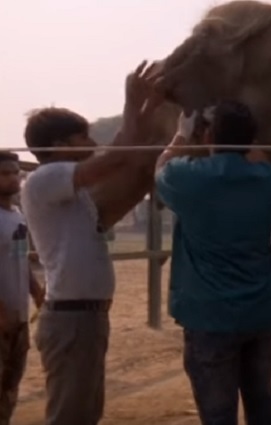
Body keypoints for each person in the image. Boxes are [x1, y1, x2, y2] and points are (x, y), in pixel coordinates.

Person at [20, 62, 163, 425]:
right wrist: (131, 104)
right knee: (70, 414)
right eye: (83, 138)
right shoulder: (46, 180)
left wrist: (148, 107)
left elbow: (118, 149)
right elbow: (118, 156)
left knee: (84, 411)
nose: (92, 143)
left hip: (85, 315)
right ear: (60, 145)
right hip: (72, 317)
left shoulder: (68, 183)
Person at [154, 100, 271, 425]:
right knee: (262, 405)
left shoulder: (188, 178)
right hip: (261, 312)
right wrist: (239, 136)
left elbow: (162, 167)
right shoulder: (267, 178)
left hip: (209, 316)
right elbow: (257, 156)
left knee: (217, 413)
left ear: (208, 133)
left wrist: (181, 136)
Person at [0, 151, 45, 425]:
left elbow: (20, 261)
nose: (12, 178)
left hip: (18, 319)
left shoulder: (16, 215)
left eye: (15, 172)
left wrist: (36, 293)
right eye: (4, 173)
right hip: (2, 319)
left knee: (10, 386)